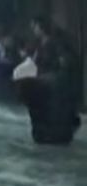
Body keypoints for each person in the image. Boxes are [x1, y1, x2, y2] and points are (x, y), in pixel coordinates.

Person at [15, 17, 81, 145]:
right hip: (46, 85)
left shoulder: (54, 43)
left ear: (41, 27)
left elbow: (63, 63)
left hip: (53, 87)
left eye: (34, 27)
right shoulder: (40, 44)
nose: (33, 30)